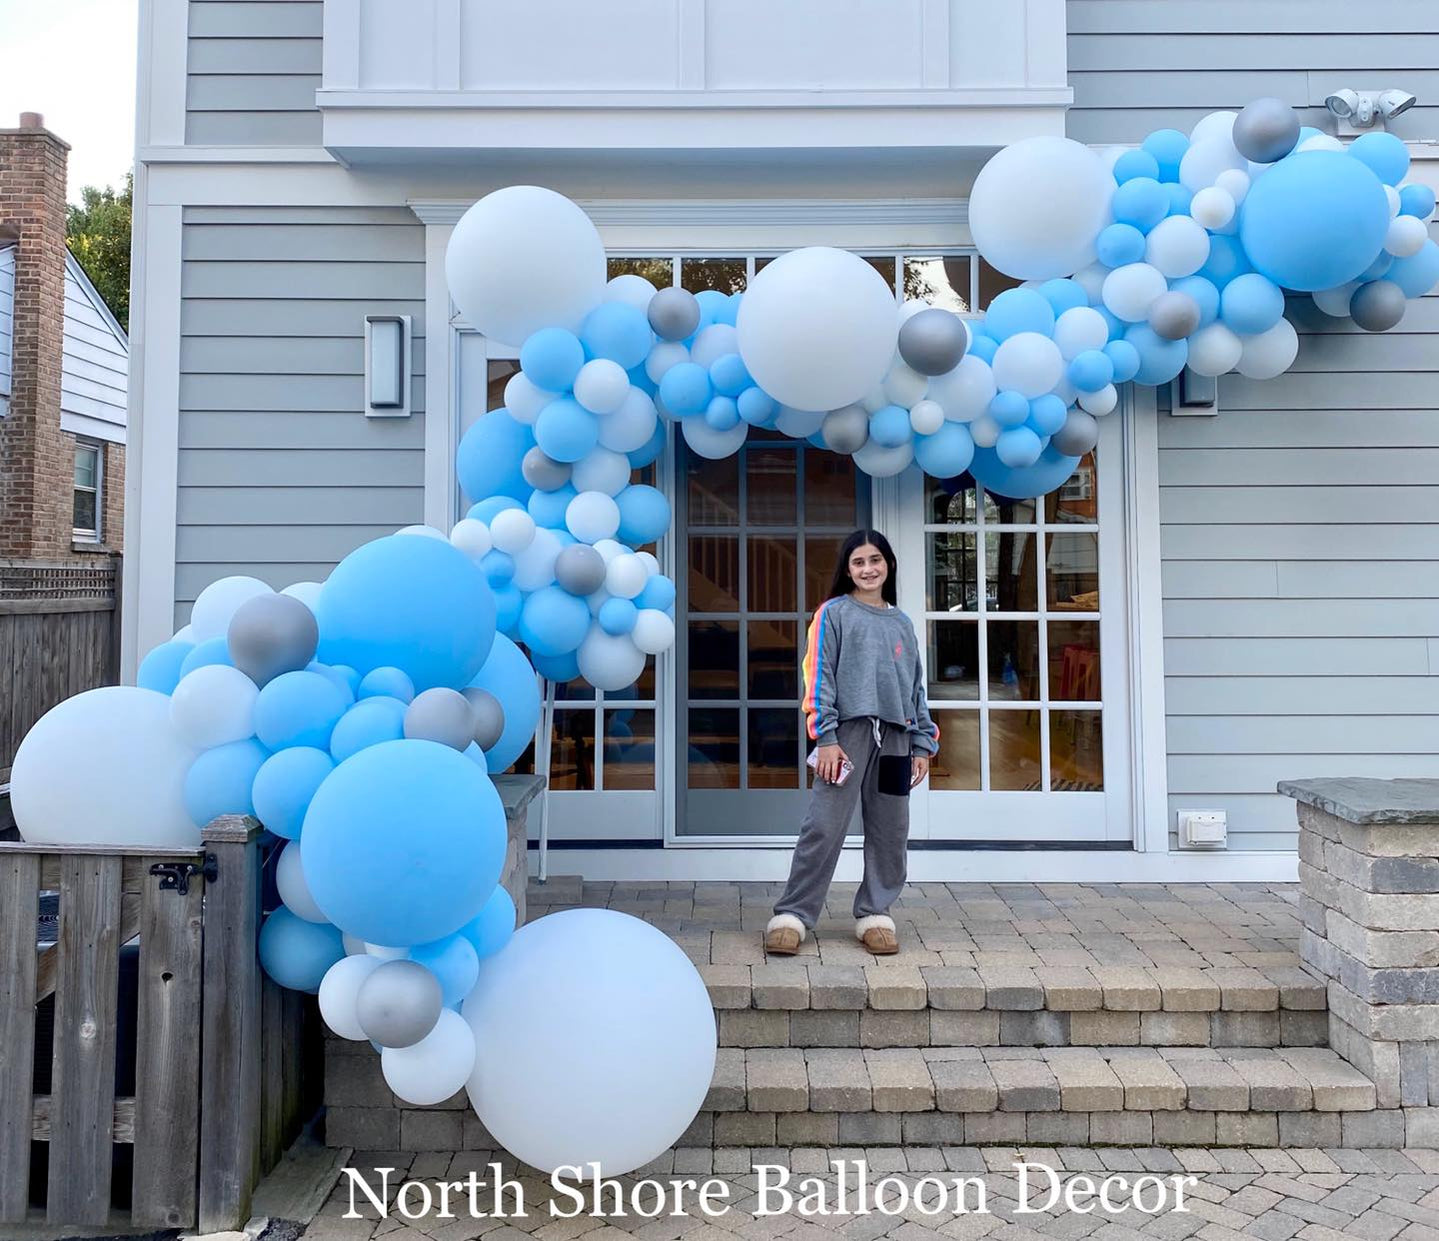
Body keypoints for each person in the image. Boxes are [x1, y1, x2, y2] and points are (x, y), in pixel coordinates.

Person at [764, 530, 938, 956]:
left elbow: (914, 688)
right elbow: (817, 676)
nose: (868, 569)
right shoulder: (833, 614)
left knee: (891, 831)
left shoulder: (901, 623)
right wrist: (825, 736)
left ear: (888, 565)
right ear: (847, 570)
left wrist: (921, 742)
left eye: (875, 560)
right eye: (858, 562)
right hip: (845, 737)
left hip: (896, 739)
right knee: (824, 827)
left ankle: (876, 913)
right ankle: (793, 914)